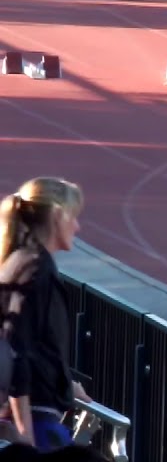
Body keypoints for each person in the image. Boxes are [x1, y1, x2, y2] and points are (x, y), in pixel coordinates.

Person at [0, 178, 91, 452]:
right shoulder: (37, 273)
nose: (77, 227)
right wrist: (26, 435)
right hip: (35, 421)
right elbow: (18, 352)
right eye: (73, 217)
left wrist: (64, 382)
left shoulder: (20, 263)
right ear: (56, 215)